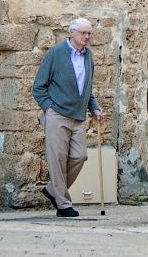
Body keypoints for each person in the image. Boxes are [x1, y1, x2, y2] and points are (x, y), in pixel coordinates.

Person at [33, 17, 103, 217]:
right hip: (57, 115)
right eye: (83, 33)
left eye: (89, 33)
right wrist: (49, 109)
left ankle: (53, 190)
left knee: (79, 156)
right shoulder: (55, 53)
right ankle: (63, 205)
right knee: (58, 158)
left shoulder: (88, 56)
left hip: (78, 116)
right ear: (71, 33)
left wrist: (94, 108)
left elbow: (87, 89)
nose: (87, 37)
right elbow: (38, 87)